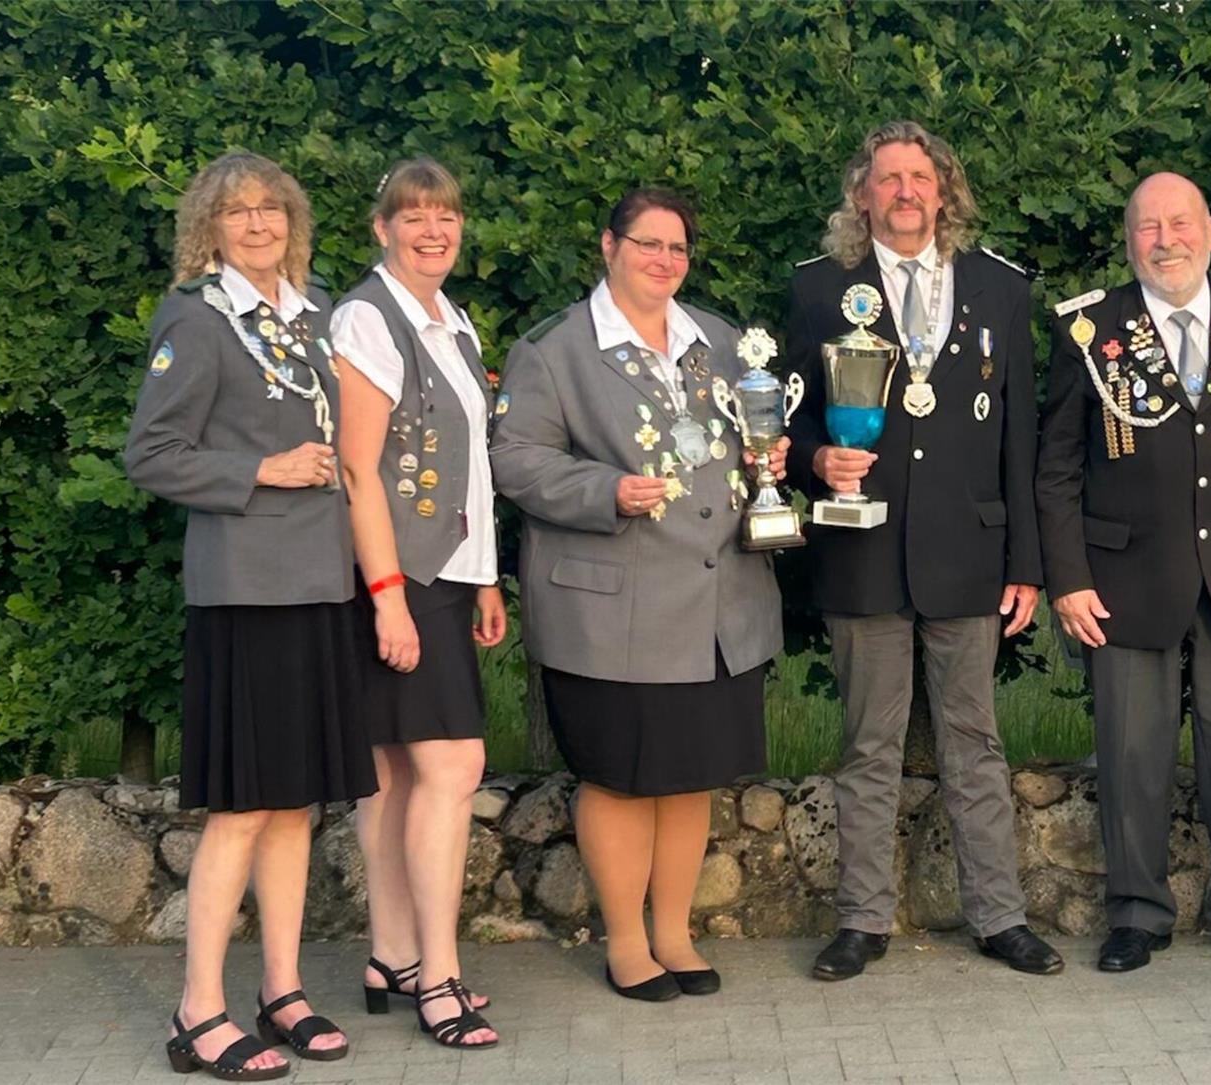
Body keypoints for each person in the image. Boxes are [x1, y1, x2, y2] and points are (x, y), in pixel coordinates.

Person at [490, 189, 787, 1002]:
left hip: (717, 605)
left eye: (677, 248)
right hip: (611, 610)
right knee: (621, 778)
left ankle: (674, 932)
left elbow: (742, 442)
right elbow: (514, 457)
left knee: (689, 776)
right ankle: (626, 942)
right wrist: (604, 488)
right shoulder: (554, 351)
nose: (663, 260)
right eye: (647, 244)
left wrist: (769, 460)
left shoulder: (720, 342)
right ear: (608, 245)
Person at [783, 120, 1061, 980]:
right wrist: (813, 459)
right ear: (862, 195)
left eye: (919, 177)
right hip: (862, 547)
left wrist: (1027, 562)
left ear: (945, 191)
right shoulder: (820, 289)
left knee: (974, 741)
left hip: (969, 553)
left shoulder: (999, 289)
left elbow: (1020, 437)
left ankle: (999, 916)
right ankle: (863, 920)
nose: (905, 191)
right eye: (887, 178)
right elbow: (784, 422)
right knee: (868, 743)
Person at [125, 151, 372, 1079]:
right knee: (244, 804)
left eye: (272, 208)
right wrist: (260, 471)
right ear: (212, 228)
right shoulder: (196, 319)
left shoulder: (310, 319)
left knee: (296, 804)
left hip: (317, 584)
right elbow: (149, 452)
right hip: (243, 590)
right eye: (238, 212)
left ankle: (282, 988)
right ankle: (198, 1008)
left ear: (292, 223)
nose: (259, 223)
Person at [1036, 173, 1211, 973]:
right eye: (1148, 227)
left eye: (1181, 223)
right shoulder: (1089, 329)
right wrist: (1067, 576)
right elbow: (1057, 466)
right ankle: (1135, 911)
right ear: (1129, 242)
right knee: (1131, 751)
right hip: (1123, 576)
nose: (1167, 240)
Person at [331, 157, 500, 1049]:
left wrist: (484, 574)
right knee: (452, 768)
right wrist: (388, 597)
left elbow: (466, 463)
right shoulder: (368, 315)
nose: (433, 230)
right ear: (382, 227)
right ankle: (439, 974)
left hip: (442, 575)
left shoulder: (450, 320)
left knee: (399, 772)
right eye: (413, 216)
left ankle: (391, 954)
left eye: (445, 216)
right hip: (395, 577)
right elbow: (359, 466)